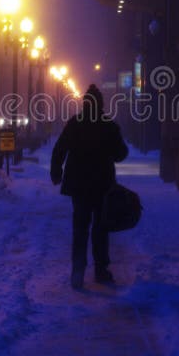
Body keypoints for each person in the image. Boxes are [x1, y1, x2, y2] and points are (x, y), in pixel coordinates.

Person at [50, 84, 128, 289]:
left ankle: (78, 271)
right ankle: (101, 269)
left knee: (80, 227)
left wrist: (56, 172)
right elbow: (121, 154)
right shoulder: (108, 125)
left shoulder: (75, 123)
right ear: (101, 105)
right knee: (101, 227)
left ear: (84, 104)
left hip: (79, 185)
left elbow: (59, 149)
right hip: (102, 184)